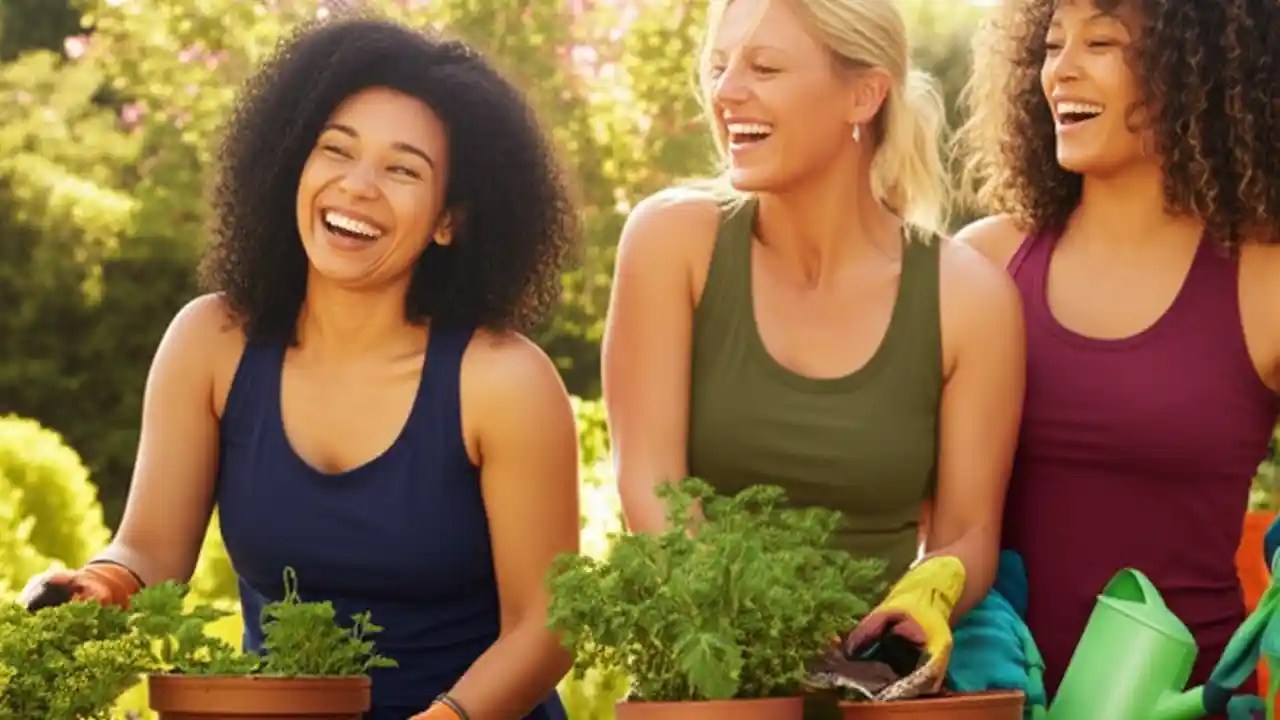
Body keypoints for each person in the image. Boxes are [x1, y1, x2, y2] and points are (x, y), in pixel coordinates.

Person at [19, 15, 581, 720]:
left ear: (449, 220)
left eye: (403, 170)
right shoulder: (210, 342)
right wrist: (100, 586)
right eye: (335, 151)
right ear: (293, 165)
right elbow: (150, 550)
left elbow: (545, 628)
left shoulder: (503, 382)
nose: (357, 186)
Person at [600, 0, 1025, 707]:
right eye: (719, 65)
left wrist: (928, 594)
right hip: (715, 690)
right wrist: (772, 643)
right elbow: (649, 491)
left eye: (763, 67)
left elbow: (969, 532)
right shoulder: (672, 244)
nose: (726, 91)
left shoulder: (970, 298)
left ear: (864, 93)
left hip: (877, 691)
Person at [953, 0, 1280, 705]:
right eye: (1050, 45)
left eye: (1101, 42)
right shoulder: (982, 265)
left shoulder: (1263, 280)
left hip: (1191, 702)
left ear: (1196, 71)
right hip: (992, 700)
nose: (1060, 72)